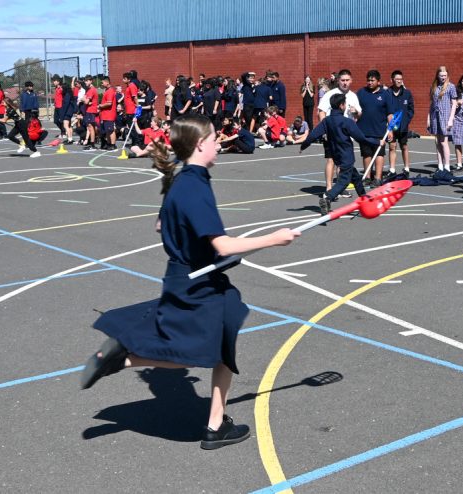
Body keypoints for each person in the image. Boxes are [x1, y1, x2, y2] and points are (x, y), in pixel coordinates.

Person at [80, 114, 299, 450]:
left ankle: (215, 422)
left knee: (220, 339)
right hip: (196, 282)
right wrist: (275, 238)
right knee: (194, 352)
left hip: (190, 276)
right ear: (200, 144)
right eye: (214, 138)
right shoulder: (194, 186)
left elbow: (159, 225)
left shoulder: (182, 179)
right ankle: (125, 359)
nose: (219, 143)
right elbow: (222, 245)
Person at [301, 93, 384, 215]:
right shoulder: (346, 122)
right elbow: (361, 138)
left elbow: (314, 134)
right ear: (341, 105)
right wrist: (377, 142)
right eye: (345, 104)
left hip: (336, 155)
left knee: (355, 177)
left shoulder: (327, 121)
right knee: (344, 181)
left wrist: (304, 146)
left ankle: (365, 199)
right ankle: (327, 198)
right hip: (346, 156)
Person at [317, 69, 362, 198]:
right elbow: (321, 111)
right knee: (331, 159)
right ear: (338, 81)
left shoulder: (353, 96)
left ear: (351, 81)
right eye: (342, 80)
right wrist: (324, 128)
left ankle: (340, 187)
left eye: (347, 80)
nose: (345, 83)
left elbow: (359, 114)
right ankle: (329, 188)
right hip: (332, 133)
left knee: (343, 162)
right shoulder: (331, 94)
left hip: (346, 134)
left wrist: (356, 112)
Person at [356, 69, 392, 186]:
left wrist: (390, 130)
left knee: (379, 154)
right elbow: (356, 109)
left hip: (379, 130)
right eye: (368, 80)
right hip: (364, 129)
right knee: (366, 154)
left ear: (378, 82)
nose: (370, 82)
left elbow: (389, 113)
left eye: (372, 80)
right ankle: (367, 176)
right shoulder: (361, 93)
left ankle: (378, 178)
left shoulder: (385, 95)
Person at [426, 66, 458, 172]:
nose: (443, 77)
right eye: (441, 75)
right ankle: (439, 165)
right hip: (435, 116)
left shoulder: (451, 87)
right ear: (438, 76)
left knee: (444, 141)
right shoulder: (434, 86)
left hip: (445, 116)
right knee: (437, 141)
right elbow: (432, 104)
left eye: (445, 75)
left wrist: (451, 119)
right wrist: (428, 118)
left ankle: (447, 166)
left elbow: (454, 104)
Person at [387, 70, 415, 176]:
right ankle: (392, 170)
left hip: (403, 126)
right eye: (397, 79)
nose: (399, 81)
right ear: (392, 80)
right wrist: (389, 123)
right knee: (392, 146)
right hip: (391, 126)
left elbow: (411, 109)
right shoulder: (387, 93)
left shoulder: (407, 93)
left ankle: (406, 168)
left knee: (404, 146)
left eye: (400, 79)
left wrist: (406, 120)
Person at [98, 76, 117, 150]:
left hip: (109, 114)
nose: (101, 84)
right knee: (107, 130)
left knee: (111, 130)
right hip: (105, 114)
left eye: (102, 82)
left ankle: (113, 144)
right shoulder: (106, 90)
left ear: (107, 82)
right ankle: (109, 143)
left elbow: (109, 103)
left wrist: (100, 105)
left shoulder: (110, 91)